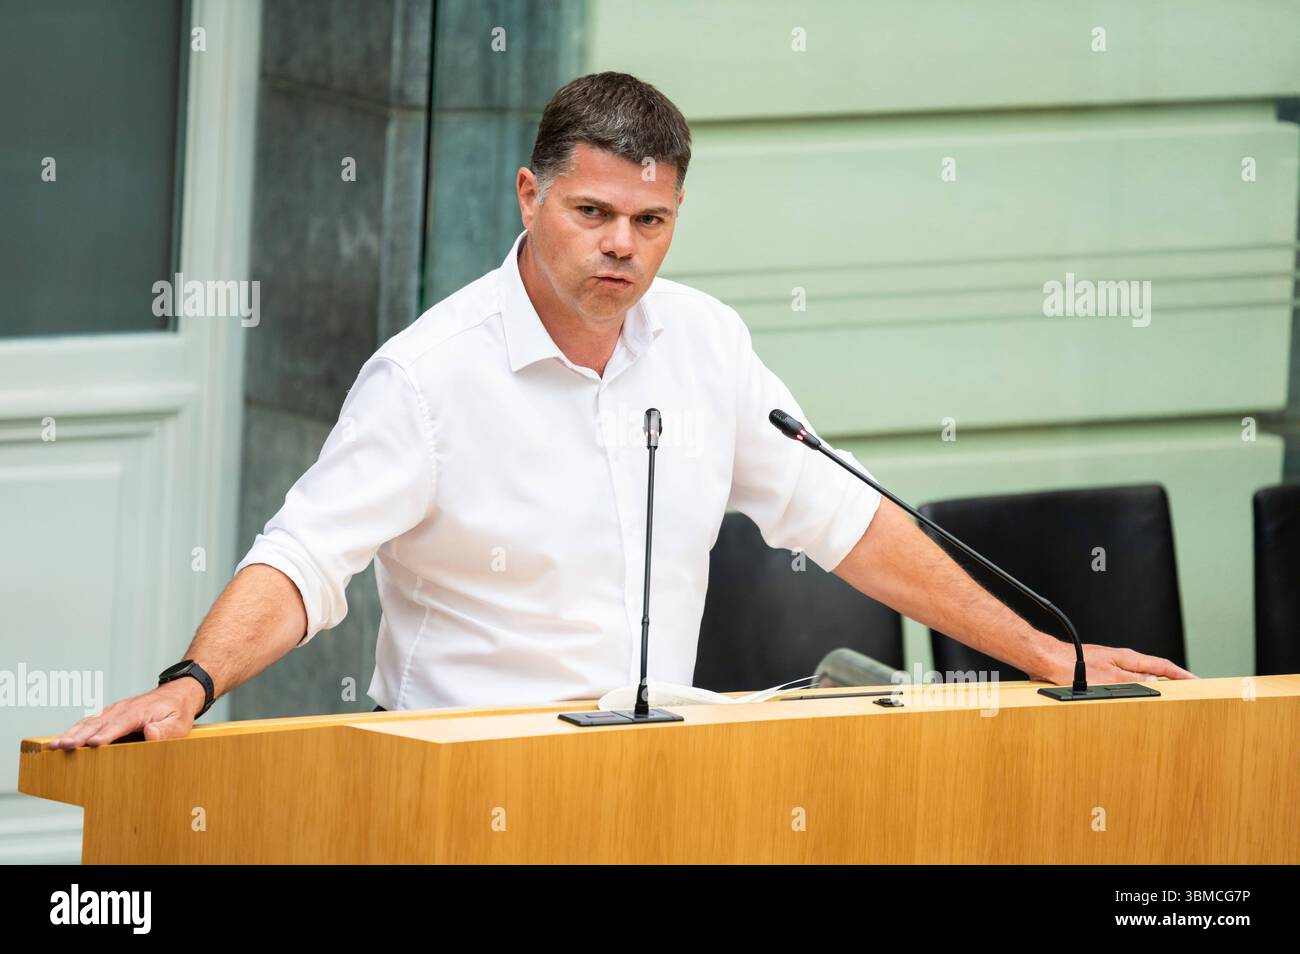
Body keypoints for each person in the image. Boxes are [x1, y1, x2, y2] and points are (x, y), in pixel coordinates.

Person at [49, 72, 1193, 749]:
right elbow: (305, 559)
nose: (620, 247)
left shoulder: (704, 344)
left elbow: (847, 522)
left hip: (657, 774)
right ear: (529, 194)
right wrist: (191, 684)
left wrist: (1052, 653)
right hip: (469, 780)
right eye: (593, 212)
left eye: (651, 222)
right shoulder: (429, 375)